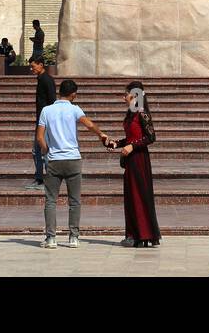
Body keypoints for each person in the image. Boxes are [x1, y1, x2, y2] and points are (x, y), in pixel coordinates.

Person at [37, 78, 110, 248]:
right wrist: (101, 135)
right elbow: (89, 124)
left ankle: (51, 238)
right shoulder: (75, 109)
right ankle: (74, 237)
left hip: (54, 160)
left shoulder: (46, 111)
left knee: (51, 200)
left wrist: (46, 149)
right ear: (73, 94)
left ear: (59, 92)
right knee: (74, 200)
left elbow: (40, 136)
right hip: (73, 159)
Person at [114, 80, 160, 247]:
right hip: (131, 160)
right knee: (131, 196)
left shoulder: (142, 112)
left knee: (139, 195)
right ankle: (135, 234)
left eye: (125, 94)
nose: (123, 97)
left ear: (134, 95)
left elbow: (151, 137)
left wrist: (132, 146)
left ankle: (143, 235)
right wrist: (116, 143)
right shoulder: (131, 113)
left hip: (140, 160)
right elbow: (131, 138)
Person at [24, 54, 56, 190]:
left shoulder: (46, 80)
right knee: (38, 150)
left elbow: (52, 101)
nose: (32, 69)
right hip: (41, 120)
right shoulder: (41, 79)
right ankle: (40, 178)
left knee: (41, 149)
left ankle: (46, 179)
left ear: (41, 64)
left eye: (33, 66)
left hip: (45, 121)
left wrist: (48, 121)